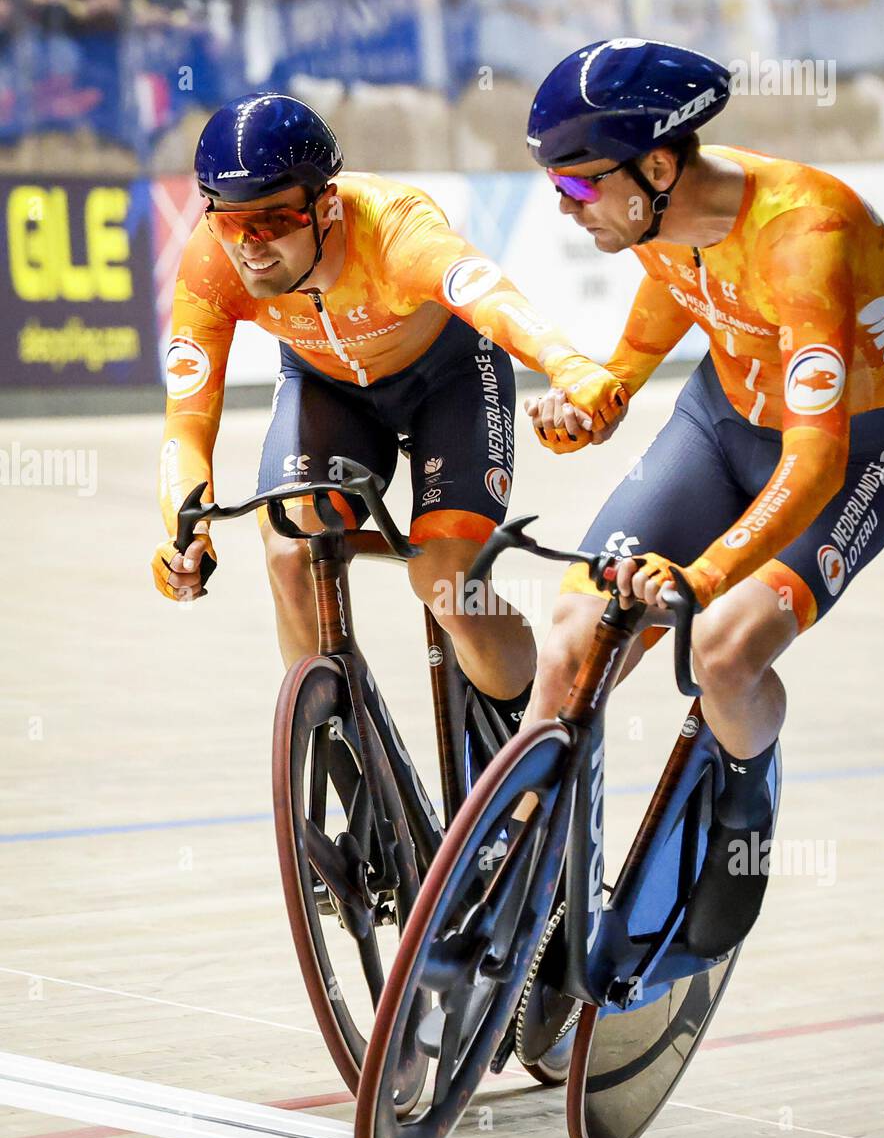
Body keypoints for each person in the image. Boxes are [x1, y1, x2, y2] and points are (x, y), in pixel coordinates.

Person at [523, 39, 884, 953]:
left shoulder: (805, 235)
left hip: (851, 450)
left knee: (723, 647)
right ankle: (528, 868)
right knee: (570, 643)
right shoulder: (660, 214)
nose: (564, 204)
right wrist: (603, 397)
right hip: (722, 417)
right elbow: (671, 301)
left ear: (658, 165)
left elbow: (816, 462)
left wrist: (701, 577)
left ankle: (744, 803)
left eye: (580, 185)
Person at [152, 91, 625, 733]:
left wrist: (570, 367)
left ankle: (538, 739)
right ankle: (338, 756)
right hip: (327, 385)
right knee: (291, 549)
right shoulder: (211, 261)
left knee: (446, 582)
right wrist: (185, 530)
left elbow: (488, 296)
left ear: (326, 205)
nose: (252, 245)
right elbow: (186, 420)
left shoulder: (393, 230)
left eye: (274, 221)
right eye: (232, 222)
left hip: (447, 375)